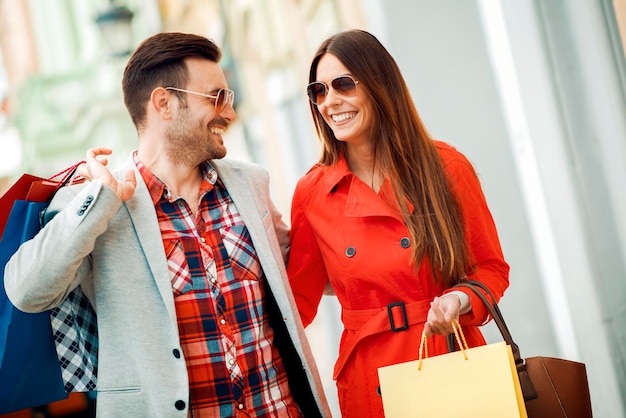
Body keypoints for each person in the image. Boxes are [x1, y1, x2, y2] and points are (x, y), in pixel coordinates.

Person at [4, 32, 331, 417]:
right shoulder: (96, 202)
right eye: (216, 97)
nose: (229, 111)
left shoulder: (250, 184)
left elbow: (309, 268)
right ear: (164, 102)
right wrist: (100, 201)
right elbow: (26, 291)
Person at [287, 29, 510, 417]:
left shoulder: (445, 167)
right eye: (318, 91)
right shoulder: (313, 193)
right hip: (371, 378)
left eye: (343, 84)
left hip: (452, 361)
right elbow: (295, 304)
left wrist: (460, 299)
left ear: (379, 85)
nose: (330, 102)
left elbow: (491, 268)